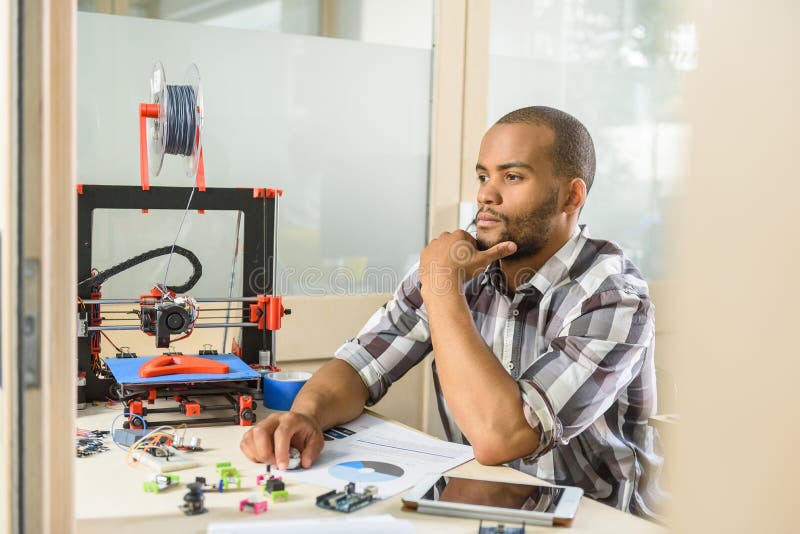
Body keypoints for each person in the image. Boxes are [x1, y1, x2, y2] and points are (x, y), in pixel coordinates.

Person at [241, 106, 665, 520]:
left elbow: (503, 437)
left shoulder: (614, 296)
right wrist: (305, 415)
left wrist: (442, 287)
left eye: (512, 176)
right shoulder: (458, 263)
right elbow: (361, 363)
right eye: (483, 175)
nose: (486, 194)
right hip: (481, 510)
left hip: (594, 522)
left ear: (571, 196)